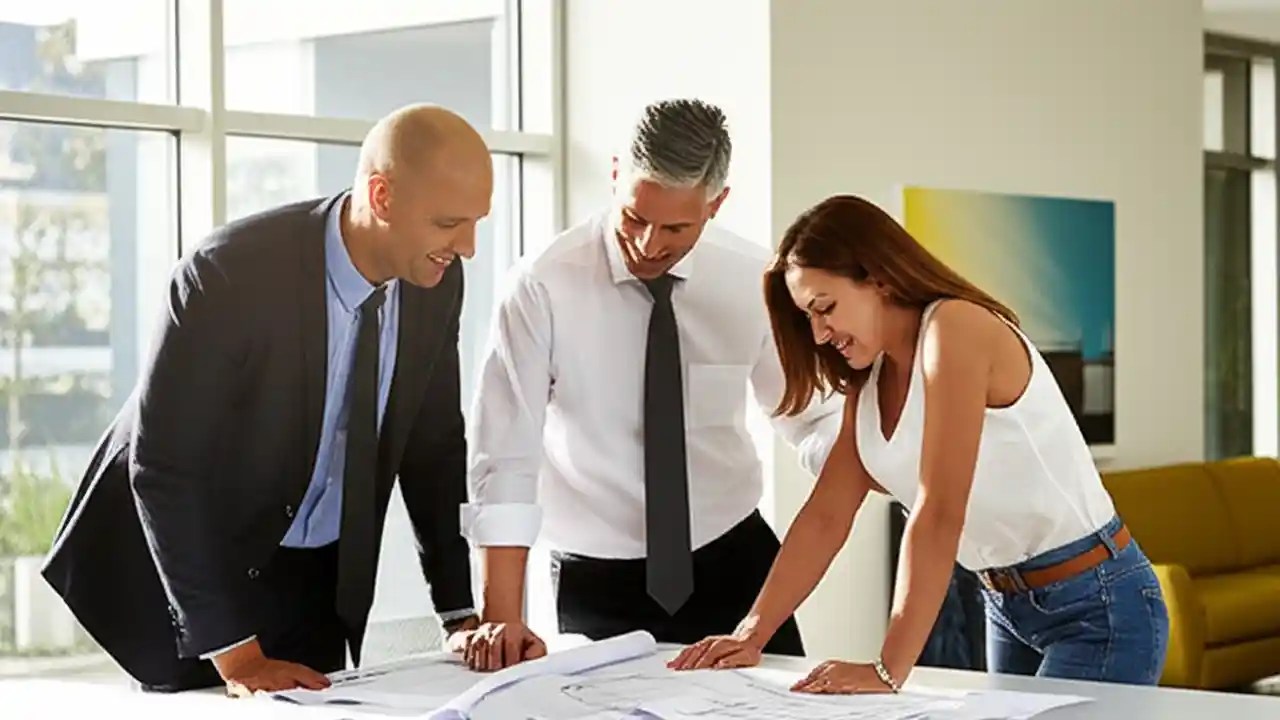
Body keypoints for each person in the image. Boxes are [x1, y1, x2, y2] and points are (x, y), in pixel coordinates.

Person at [41, 104, 492, 695]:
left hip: (317, 582)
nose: (468, 246)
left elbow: (432, 446)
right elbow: (164, 469)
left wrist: (459, 613)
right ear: (381, 197)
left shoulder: (434, 282)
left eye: (475, 222)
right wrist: (236, 655)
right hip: (193, 576)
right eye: (448, 224)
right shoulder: (229, 273)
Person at [671, 195, 1170, 690]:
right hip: (1004, 606)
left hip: (1099, 605)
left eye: (825, 308)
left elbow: (939, 511)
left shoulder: (955, 329)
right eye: (807, 318)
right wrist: (752, 632)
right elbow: (825, 516)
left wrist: (888, 669)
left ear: (879, 278)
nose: (819, 335)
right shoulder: (867, 384)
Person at [452, 99, 843, 672]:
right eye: (635, 217)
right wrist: (501, 615)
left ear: (717, 203)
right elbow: (506, 457)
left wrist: (884, 465)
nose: (648, 243)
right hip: (596, 581)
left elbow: (810, 417)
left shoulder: (754, 280)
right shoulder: (542, 285)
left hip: (736, 564)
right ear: (615, 175)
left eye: (677, 228)